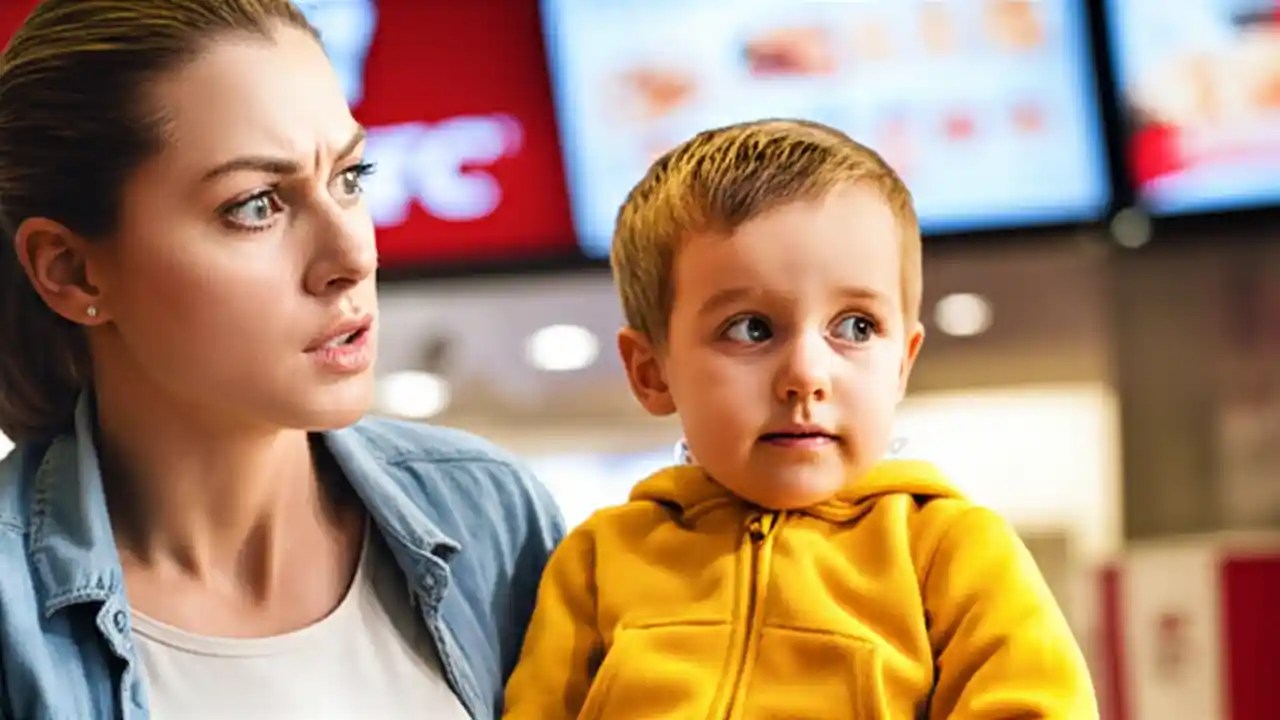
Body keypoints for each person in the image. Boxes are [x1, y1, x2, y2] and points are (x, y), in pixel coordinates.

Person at [0, 2, 562, 718]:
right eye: (256, 205)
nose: (353, 256)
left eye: (350, 179)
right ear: (74, 271)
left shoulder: (492, 516)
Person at [503, 119, 1097, 718]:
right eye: (750, 328)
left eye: (856, 327)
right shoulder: (599, 562)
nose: (807, 374)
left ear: (901, 365)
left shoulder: (949, 552)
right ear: (652, 372)